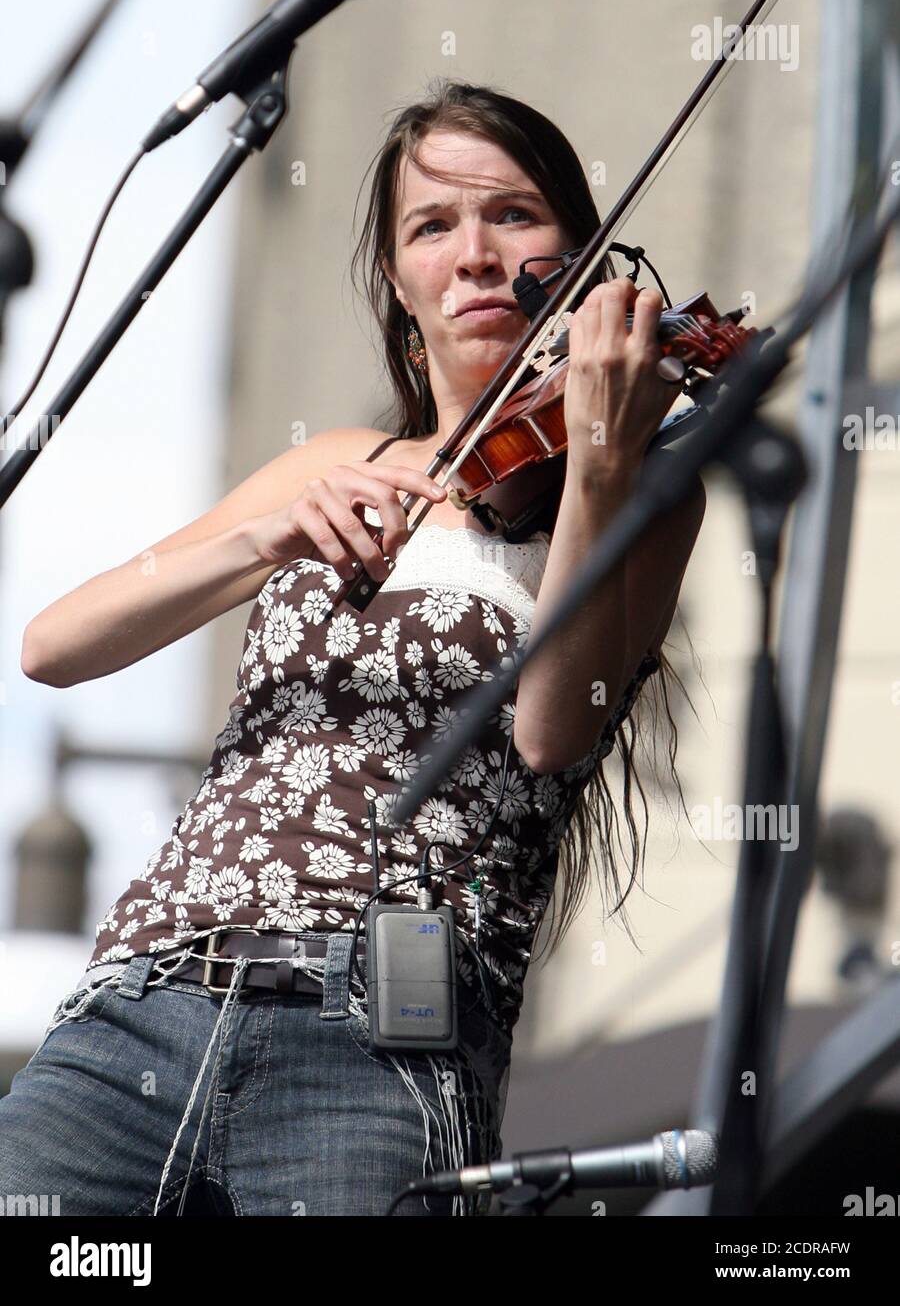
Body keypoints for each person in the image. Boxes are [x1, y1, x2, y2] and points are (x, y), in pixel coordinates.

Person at [4, 80, 706, 1217]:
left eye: (514, 215)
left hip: (377, 1031)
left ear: (580, 258)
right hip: (144, 996)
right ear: (399, 280)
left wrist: (600, 454)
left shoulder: (641, 488)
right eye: (434, 227)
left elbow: (552, 728)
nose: (475, 254)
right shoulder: (338, 460)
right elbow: (54, 645)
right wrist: (263, 531)